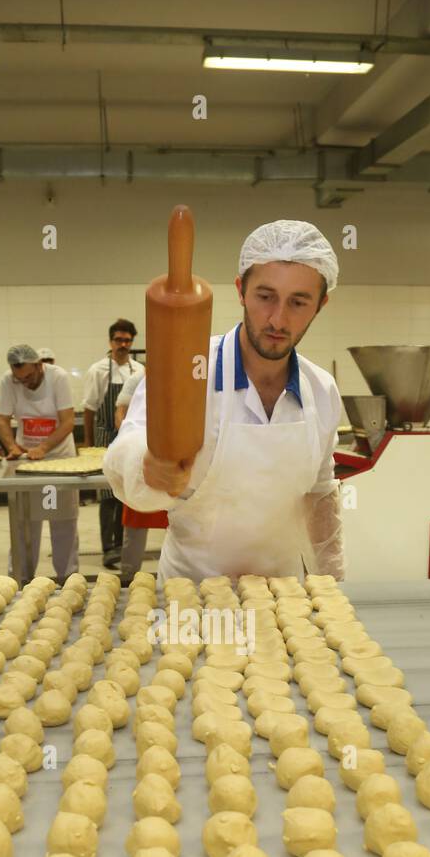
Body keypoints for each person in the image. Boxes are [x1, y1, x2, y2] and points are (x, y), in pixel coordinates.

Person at [104, 220, 346, 583]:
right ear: (240, 290)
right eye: (265, 297)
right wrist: (147, 465)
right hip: (190, 594)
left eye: (298, 302)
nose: (278, 319)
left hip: (283, 601)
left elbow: (319, 491)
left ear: (321, 305)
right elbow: (128, 447)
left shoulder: (321, 390)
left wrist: (334, 579)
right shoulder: (188, 369)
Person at [0, 344, 78, 581]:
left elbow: (67, 422)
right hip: (27, 462)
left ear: (40, 365)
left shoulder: (58, 377)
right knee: (24, 522)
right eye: (19, 379)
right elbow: (2, 420)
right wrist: (12, 447)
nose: (25, 383)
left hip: (60, 459)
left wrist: (43, 447)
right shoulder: (8, 381)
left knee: (62, 521)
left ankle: (68, 579)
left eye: (29, 376)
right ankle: (21, 578)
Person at [82, 319, 145, 569]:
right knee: (107, 495)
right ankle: (108, 548)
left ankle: (121, 545)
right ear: (110, 342)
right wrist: (88, 444)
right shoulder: (97, 370)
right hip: (104, 436)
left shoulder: (137, 370)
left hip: (129, 439)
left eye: (127, 341)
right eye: (119, 340)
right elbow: (88, 409)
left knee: (126, 493)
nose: (123, 345)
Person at [113, 369, 167, 584]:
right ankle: (128, 576)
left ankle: (174, 577)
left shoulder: (182, 374)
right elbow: (121, 414)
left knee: (178, 522)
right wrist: (131, 440)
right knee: (135, 522)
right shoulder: (137, 379)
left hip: (170, 456)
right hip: (139, 458)